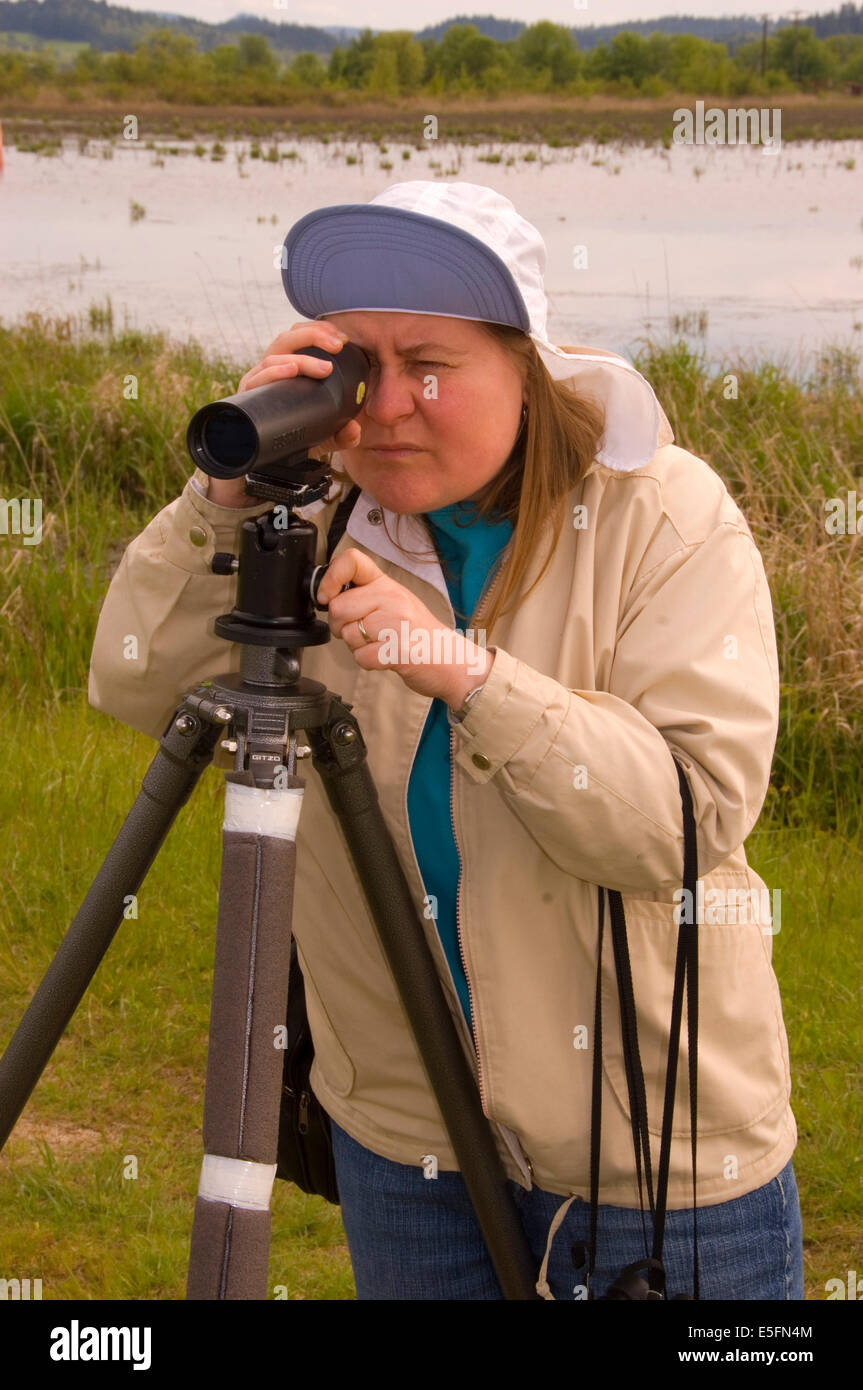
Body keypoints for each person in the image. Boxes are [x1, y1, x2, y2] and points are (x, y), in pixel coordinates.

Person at [88, 181, 803, 1301]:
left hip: (649, 1156)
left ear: (527, 363)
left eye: (431, 363)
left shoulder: (659, 514)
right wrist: (220, 496)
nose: (387, 408)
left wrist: (466, 673)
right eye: (356, 370)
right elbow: (133, 678)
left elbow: (680, 818)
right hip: (405, 1142)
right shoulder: (316, 519)